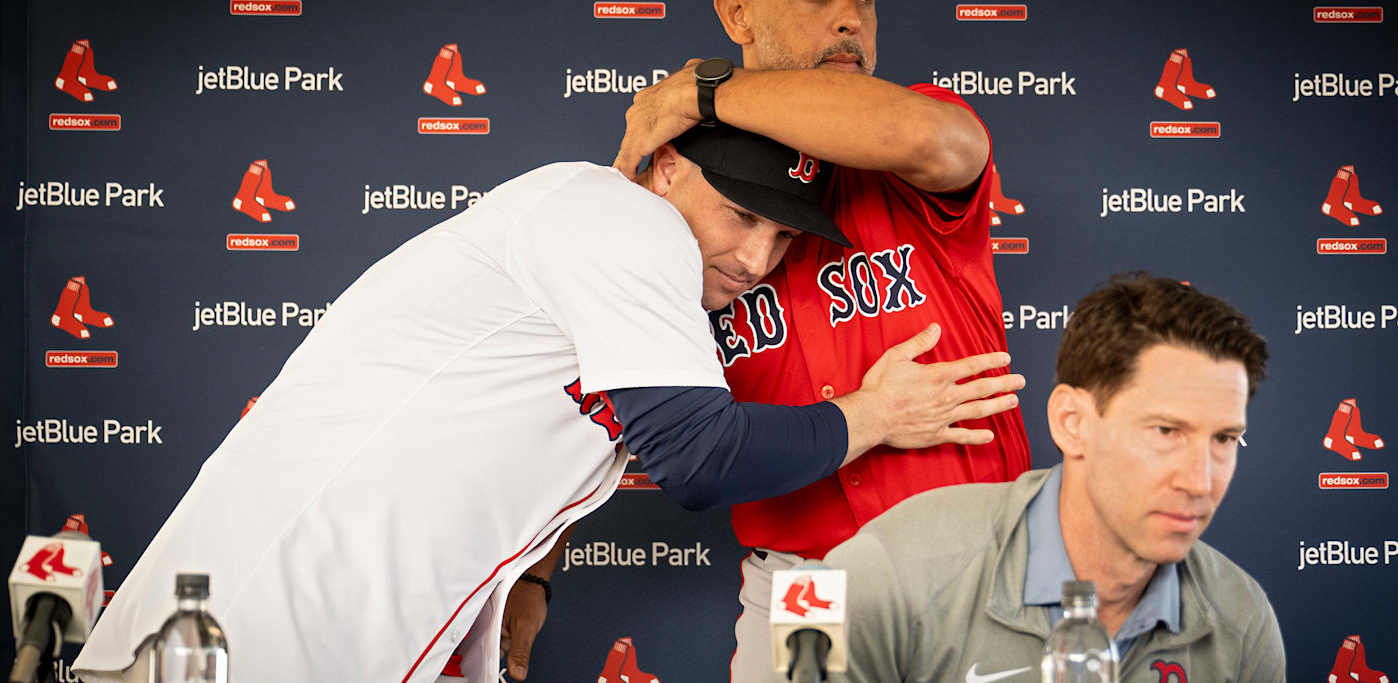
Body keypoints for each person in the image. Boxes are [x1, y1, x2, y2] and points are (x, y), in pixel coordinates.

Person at [73, 124, 1012, 683]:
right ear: (668, 168)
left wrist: (531, 584)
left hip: (365, 616)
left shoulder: (632, 263)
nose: (760, 261)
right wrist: (878, 414)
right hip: (261, 616)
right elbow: (696, 455)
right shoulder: (619, 217)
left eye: (783, 236)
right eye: (741, 216)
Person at [607, 0, 1030, 677]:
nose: (849, 17)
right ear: (736, 16)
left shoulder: (910, 130)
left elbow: (923, 136)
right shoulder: (674, 185)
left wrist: (709, 86)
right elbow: (575, 410)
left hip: (981, 568)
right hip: (809, 588)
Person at [808, 273, 1285, 682]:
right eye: (1165, 431)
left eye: (1223, 439)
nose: (1200, 482)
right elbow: (799, 624)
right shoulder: (889, 567)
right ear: (1071, 423)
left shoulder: (1241, 617)